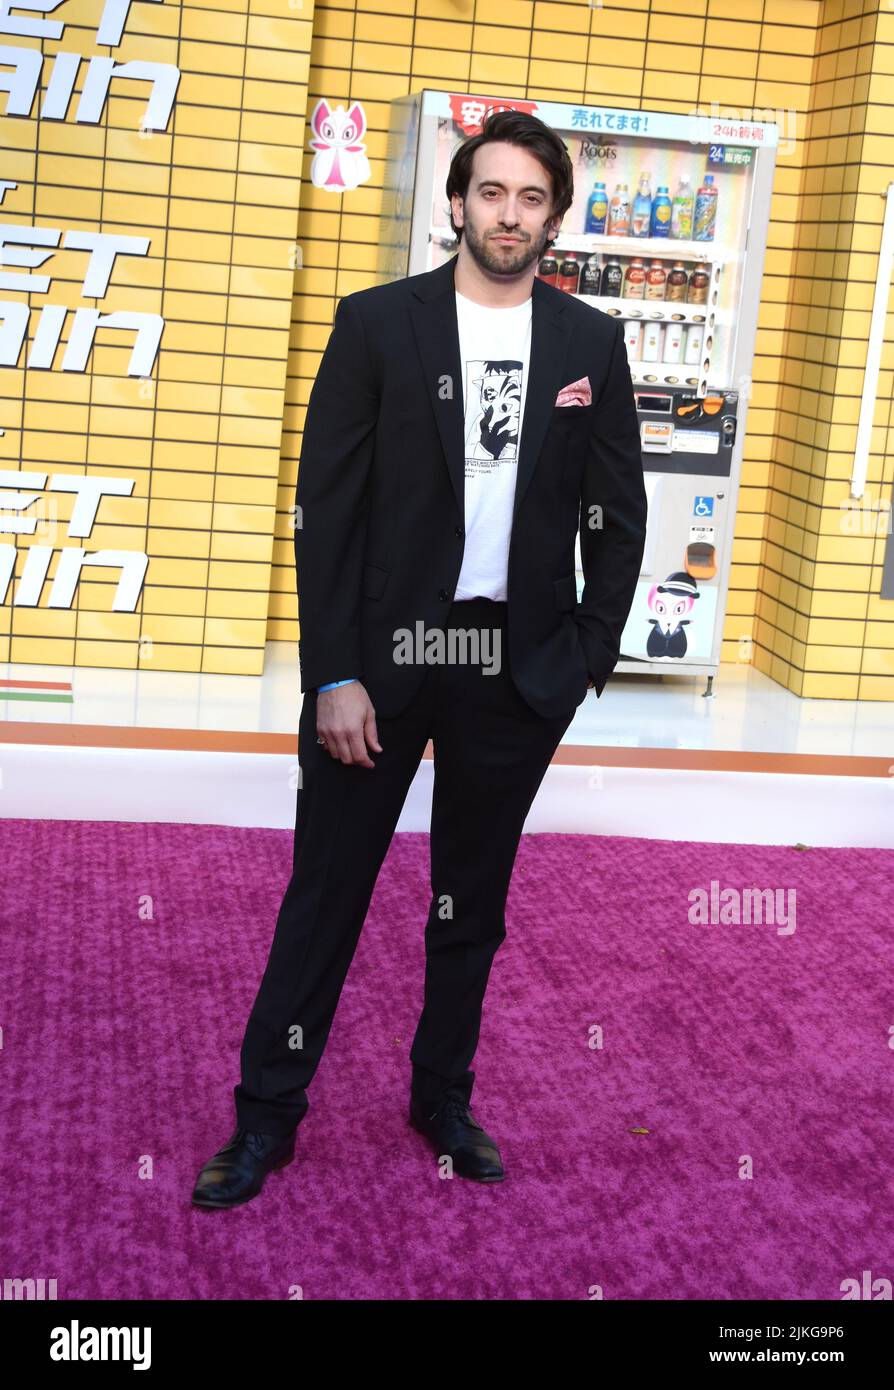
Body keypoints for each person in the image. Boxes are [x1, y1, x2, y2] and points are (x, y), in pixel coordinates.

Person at [192, 108, 648, 1208]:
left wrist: (585, 654)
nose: (509, 214)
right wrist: (331, 674)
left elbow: (618, 512)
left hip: (512, 663)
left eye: (532, 199)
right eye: (491, 193)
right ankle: (265, 1118)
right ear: (457, 203)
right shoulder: (376, 326)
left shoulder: (589, 343)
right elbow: (327, 512)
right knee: (328, 889)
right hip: (385, 658)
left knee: (469, 902)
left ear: (553, 218)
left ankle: (442, 1096)